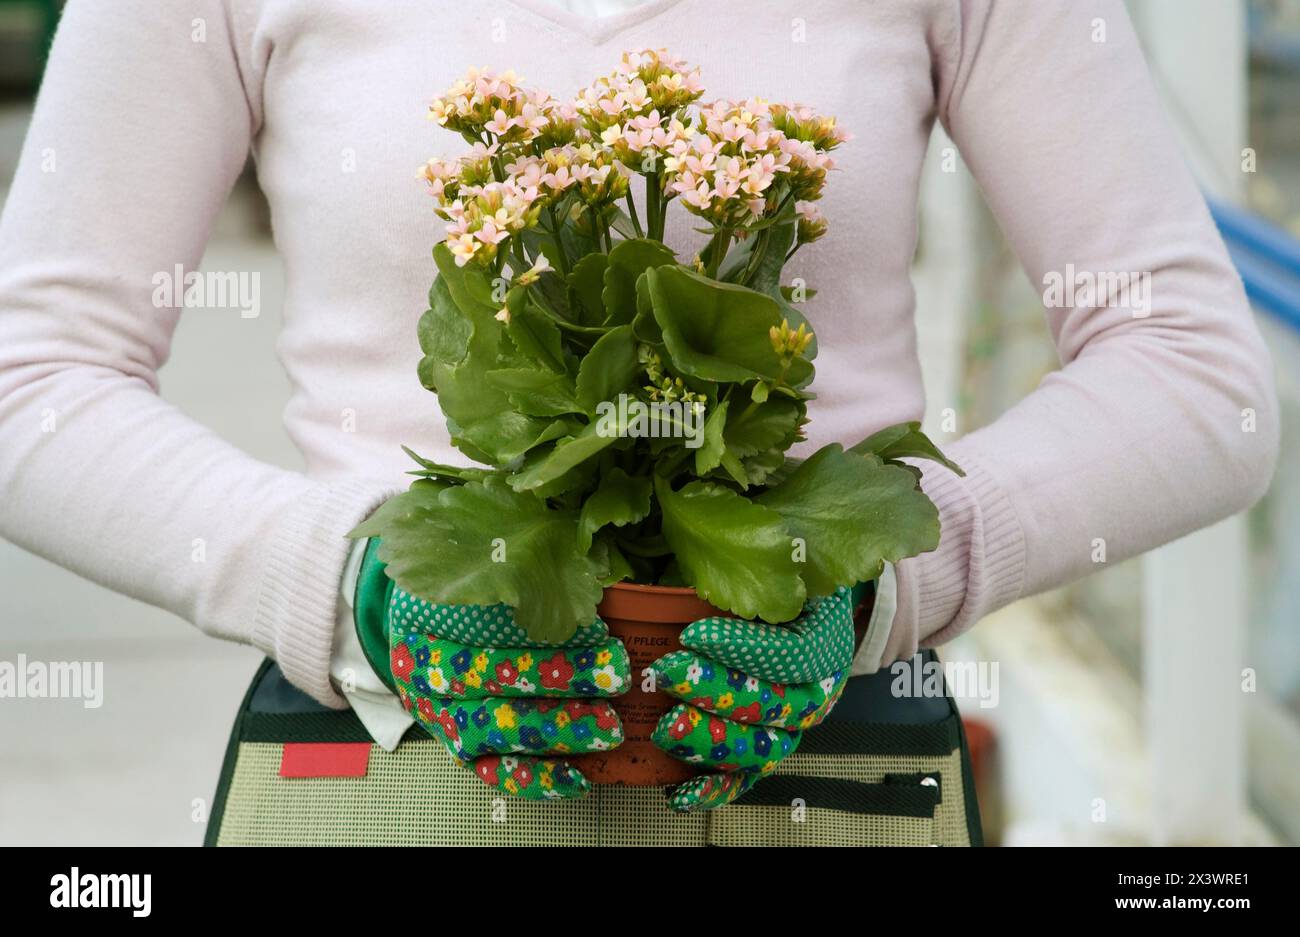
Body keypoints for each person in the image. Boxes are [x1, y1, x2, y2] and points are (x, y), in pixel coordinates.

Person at [0, 0, 1278, 844]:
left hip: (827, 768)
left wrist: (881, 581)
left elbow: (1193, 371)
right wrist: (348, 590)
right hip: (379, 757)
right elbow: (32, 376)